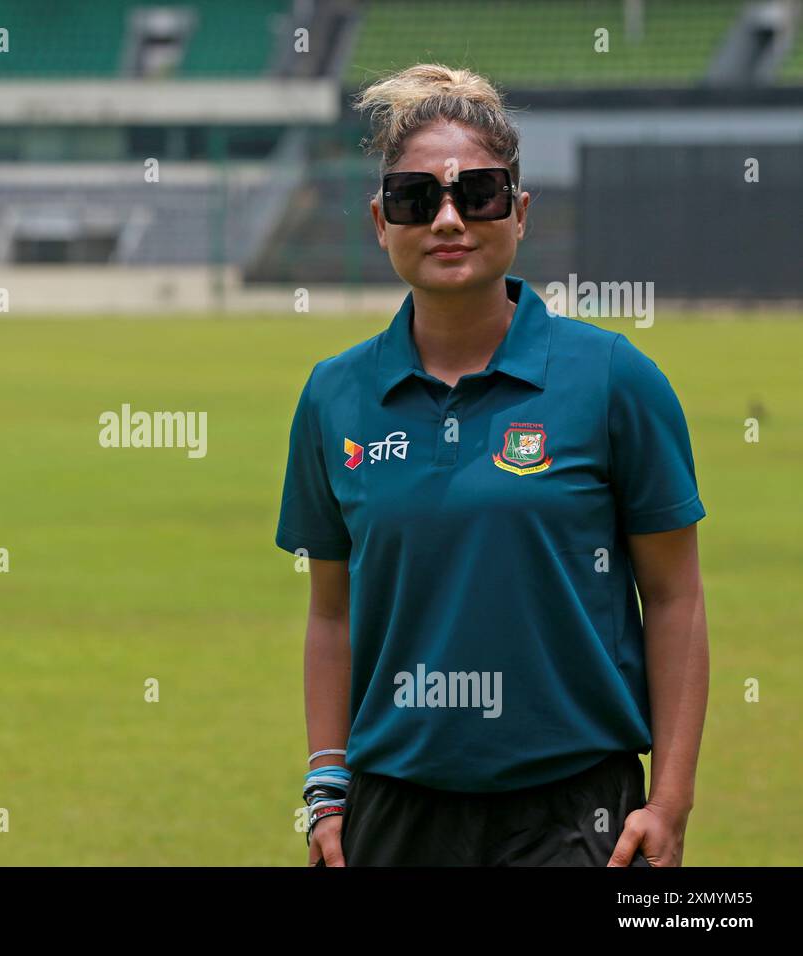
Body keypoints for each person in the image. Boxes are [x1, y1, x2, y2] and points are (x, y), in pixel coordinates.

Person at [276, 64, 709, 867]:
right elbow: (330, 613)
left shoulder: (614, 378)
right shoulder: (334, 396)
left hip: (575, 813)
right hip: (392, 812)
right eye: (415, 198)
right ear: (380, 219)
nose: (447, 220)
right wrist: (326, 787)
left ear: (519, 211)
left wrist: (671, 800)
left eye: (477, 193)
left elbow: (676, 596)